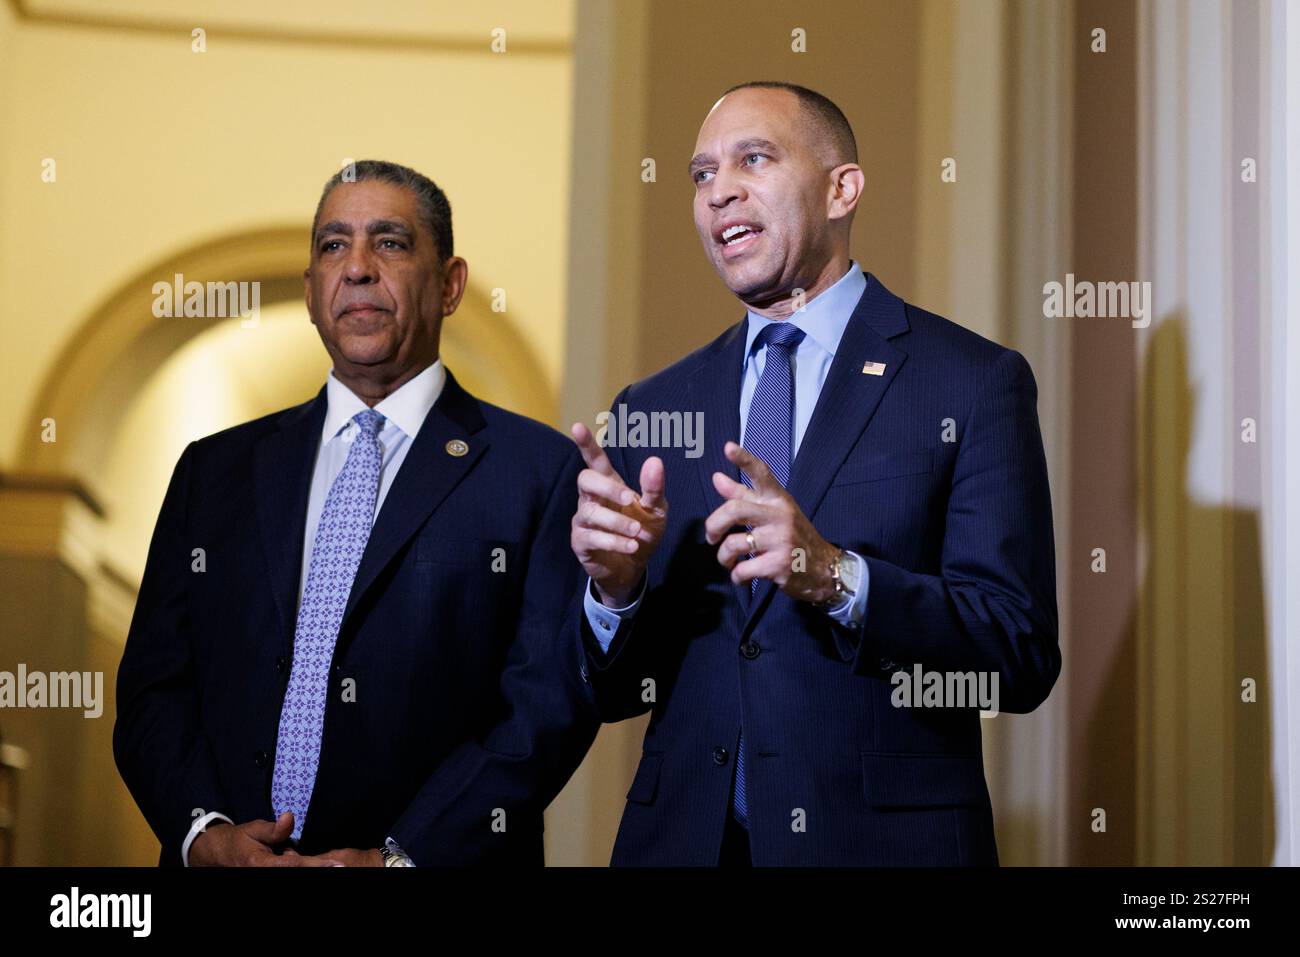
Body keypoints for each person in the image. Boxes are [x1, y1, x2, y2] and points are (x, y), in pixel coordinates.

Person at [569, 82, 1060, 866]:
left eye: (752, 158)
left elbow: (1019, 654)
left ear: (842, 189)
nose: (717, 189)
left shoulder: (970, 382)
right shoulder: (654, 406)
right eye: (700, 175)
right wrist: (615, 594)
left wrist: (835, 575)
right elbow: (609, 691)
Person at [114, 160, 597, 867]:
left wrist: (401, 859)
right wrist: (204, 836)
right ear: (311, 292)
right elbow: (154, 689)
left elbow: (542, 710)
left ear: (451, 284)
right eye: (333, 245)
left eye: (392, 243)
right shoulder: (211, 471)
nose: (359, 268)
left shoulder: (539, 472)